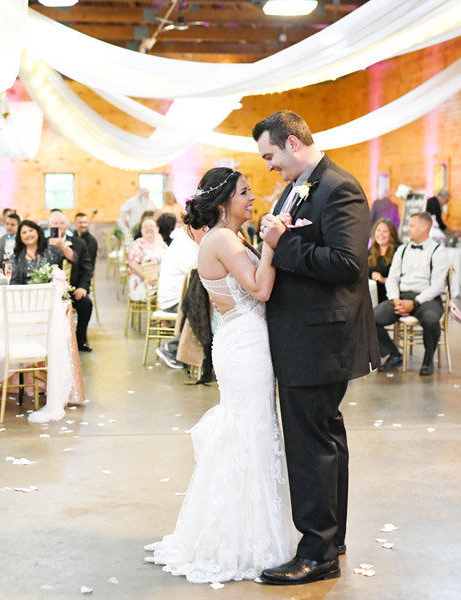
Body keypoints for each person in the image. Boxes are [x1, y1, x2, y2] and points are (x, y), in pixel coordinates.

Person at [145, 167, 298, 583]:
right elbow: (260, 290)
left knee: (251, 431)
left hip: (244, 340)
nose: (253, 198)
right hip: (245, 345)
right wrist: (271, 244)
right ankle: (241, 541)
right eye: (245, 192)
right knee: (248, 433)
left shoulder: (226, 237)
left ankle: (249, 534)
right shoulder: (222, 239)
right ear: (224, 200)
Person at [254, 110, 379, 585]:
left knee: (310, 448)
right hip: (307, 337)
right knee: (326, 440)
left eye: (270, 154)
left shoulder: (338, 187)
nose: (268, 165)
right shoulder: (297, 187)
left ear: (291, 142)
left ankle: (316, 553)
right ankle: (333, 536)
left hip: (320, 340)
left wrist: (282, 245)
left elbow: (347, 262)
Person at [374, 211, 450, 376]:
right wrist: (395, 300)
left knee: (431, 320)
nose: (408, 229)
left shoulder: (438, 251)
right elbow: (392, 279)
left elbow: (437, 285)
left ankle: (428, 360)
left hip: (427, 299)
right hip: (401, 297)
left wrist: (415, 303)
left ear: (424, 227)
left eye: (412, 225)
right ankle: (393, 354)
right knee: (371, 318)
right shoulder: (402, 250)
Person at [153, 224, 206, 370]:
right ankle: (171, 349)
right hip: (173, 301)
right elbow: (200, 272)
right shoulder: (183, 246)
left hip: (182, 297)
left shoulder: (187, 241)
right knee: (205, 313)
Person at [46, 211, 94, 352]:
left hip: (72, 289)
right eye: (55, 224)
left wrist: (83, 287)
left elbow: (87, 267)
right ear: (49, 227)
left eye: (62, 223)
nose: (59, 226)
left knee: (86, 304)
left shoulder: (79, 243)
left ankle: (80, 340)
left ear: (67, 226)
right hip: (50, 290)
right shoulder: (43, 244)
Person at [127, 217, 167, 301]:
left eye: (151, 226)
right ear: (141, 230)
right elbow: (133, 264)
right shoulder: (137, 245)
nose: (149, 228)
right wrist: (150, 279)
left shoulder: (162, 245)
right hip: (144, 282)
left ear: (157, 229)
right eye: (145, 226)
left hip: (162, 281)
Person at [368, 218, 401, 304]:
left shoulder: (399, 251)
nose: (380, 234)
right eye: (378, 230)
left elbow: (404, 279)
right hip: (371, 295)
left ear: (392, 234)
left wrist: (384, 279)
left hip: (390, 297)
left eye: (385, 231)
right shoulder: (371, 251)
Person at [8, 220, 48, 284]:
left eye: (31, 231)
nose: (28, 234)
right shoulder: (15, 257)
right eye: (24, 233)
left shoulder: (50, 251)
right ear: (20, 237)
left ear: (37, 232)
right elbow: (13, 282)